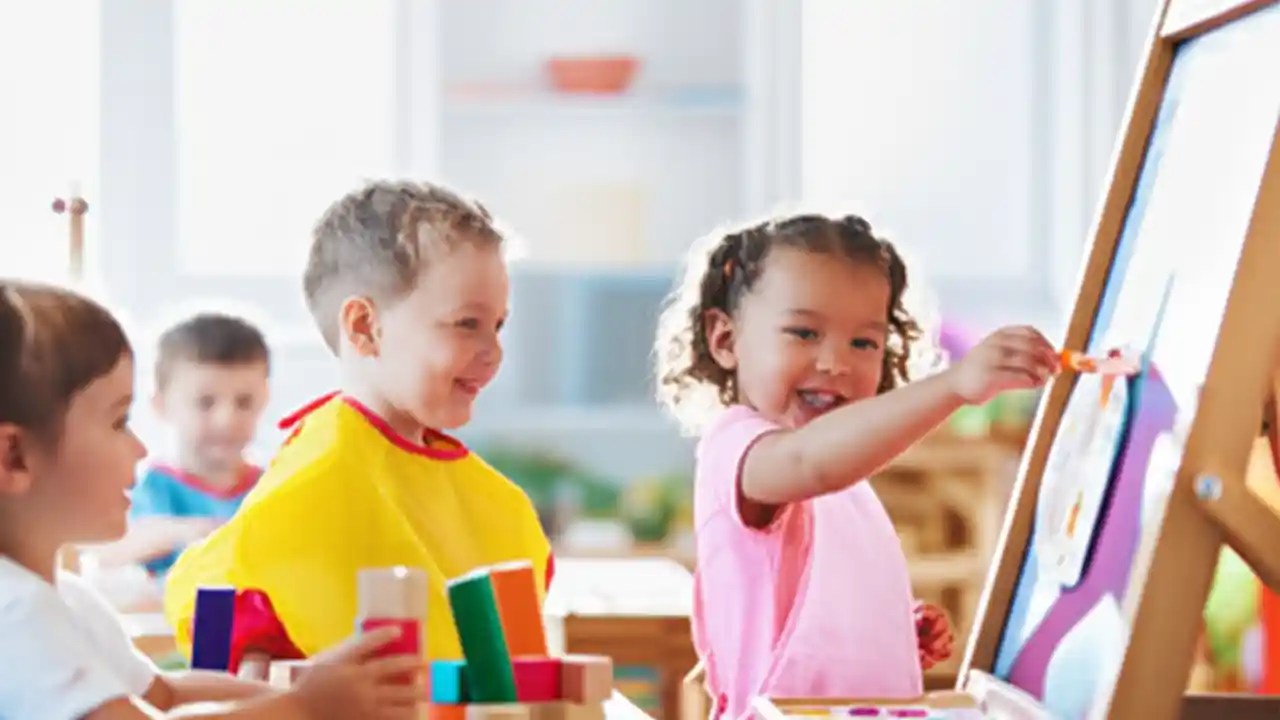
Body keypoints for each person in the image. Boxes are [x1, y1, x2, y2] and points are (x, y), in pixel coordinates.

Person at [653, 213, 1057, 719]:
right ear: (725, 340)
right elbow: (810, 463)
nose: (835, 363)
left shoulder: (843, 479)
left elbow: (812, 602)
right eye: (804, 333)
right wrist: (955, 386)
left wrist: (888, 627)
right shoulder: (739, 449)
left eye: (864, 342)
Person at [165, 180, 553, 671]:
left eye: (498, 325)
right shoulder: (317, 479)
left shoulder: (495, 501)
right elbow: (228, 629)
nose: (493, 351)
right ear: (365, 327)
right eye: (467, 324)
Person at [0, 280, 422, 719]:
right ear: (14, 457)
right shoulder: (15, 613)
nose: (140, 449)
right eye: (118, 422)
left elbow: (165, 694)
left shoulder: (69, 599)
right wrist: (304, 705)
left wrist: (314, 688)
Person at [94, 313, 270, 579]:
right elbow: (107, 553)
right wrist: (184, 532)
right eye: (205, 402)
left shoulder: (271, 487)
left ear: (264, 399)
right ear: (161, 404)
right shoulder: (150, 488)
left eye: (244, 402)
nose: (226, 420)